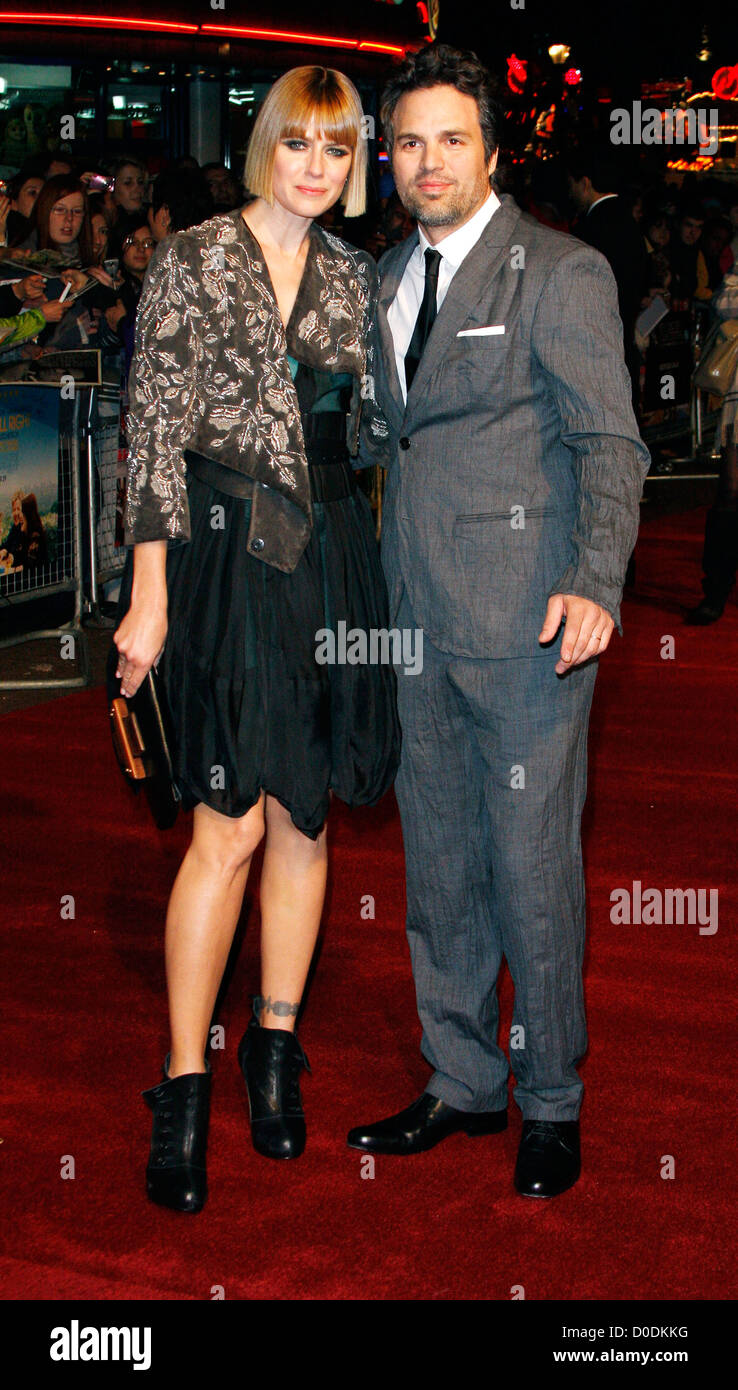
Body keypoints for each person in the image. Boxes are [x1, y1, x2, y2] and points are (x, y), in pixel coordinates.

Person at [347, 43, 649, 1198]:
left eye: (450, 139)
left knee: (529, 867)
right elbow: (392, 435)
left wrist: (596, 579)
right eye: (409, 142)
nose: (428, 162)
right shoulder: (383, 279)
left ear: (490, 149)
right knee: (440, 865)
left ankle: (553, 1100)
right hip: (413, 615)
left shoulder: (559, 271)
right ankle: (462, 1080)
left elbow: (610, 441)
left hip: (530, 623)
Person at [114, 65, 400, 1214]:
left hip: (332, 554)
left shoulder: (356, 274)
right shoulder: (192, 258)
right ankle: (185, 1082)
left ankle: (274, 1050)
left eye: (340, 151)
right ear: (266, 147)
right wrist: (148, 597)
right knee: (223, 827)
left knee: (307, 812)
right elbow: (151, 434)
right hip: (224, 561)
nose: (319, 169)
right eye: (302, 145)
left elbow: (379, 432)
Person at [567, 147, 647, 411]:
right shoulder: (629, 222)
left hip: (594, 347)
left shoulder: (589, 229)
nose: (571, 193)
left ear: (585, 183)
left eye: (573, 185)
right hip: (622, 341)